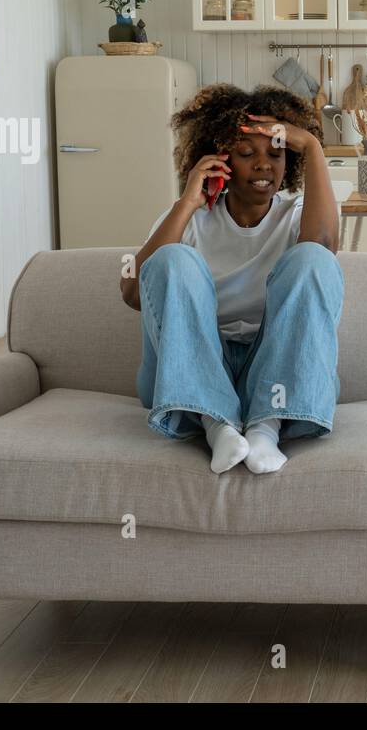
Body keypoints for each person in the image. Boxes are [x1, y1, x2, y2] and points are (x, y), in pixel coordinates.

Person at [120, 84, 342, 474]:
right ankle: (216, 423)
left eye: (276, 154)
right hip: (191, 371)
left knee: (311, 258)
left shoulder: (295, 216)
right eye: (246, 154)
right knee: (172, 259)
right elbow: (135, 291)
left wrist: (313, 147)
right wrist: (187, 201)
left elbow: (323, 248)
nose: (264, 165)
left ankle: (265, 429)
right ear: (220, 159)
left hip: (271, 376)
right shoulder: (190, 217)